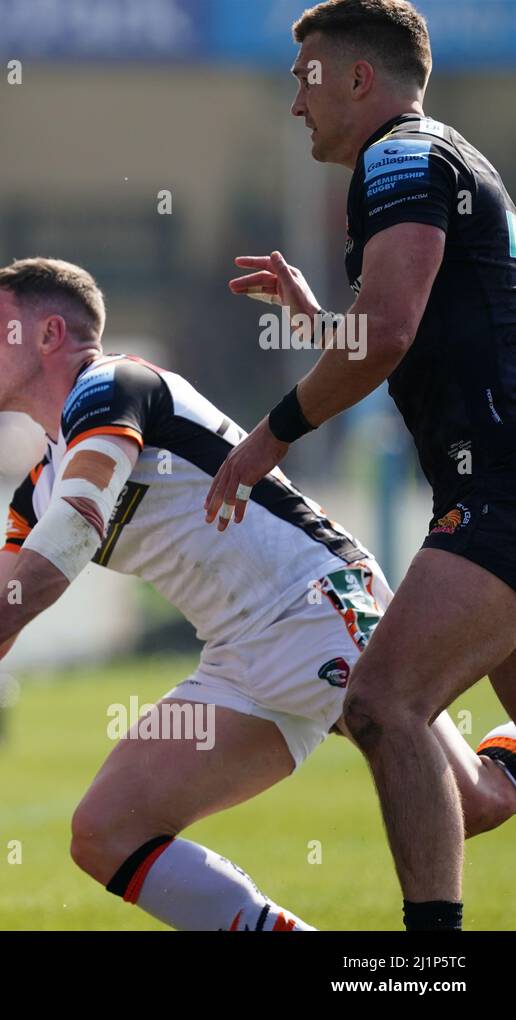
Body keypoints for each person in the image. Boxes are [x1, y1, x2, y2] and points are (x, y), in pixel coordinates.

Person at [0, 257, 516, 931]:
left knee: (477, 804)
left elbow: (78, 526)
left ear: (48, 335)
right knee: (105, 833)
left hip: (314, 603)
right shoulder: (38, 484)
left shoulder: (112, 386)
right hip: (238, 659)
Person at [204, 0, 516, 930]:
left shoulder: (401, 157)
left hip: (499, 488)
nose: (295, 104)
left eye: (305, 79)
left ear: (356, 78)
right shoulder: (430, 156)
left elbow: (386, 334)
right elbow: (401, 333)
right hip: (488, 480)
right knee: (477, 789)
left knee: (383, 705)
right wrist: (315, 323)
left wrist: (270, 436)